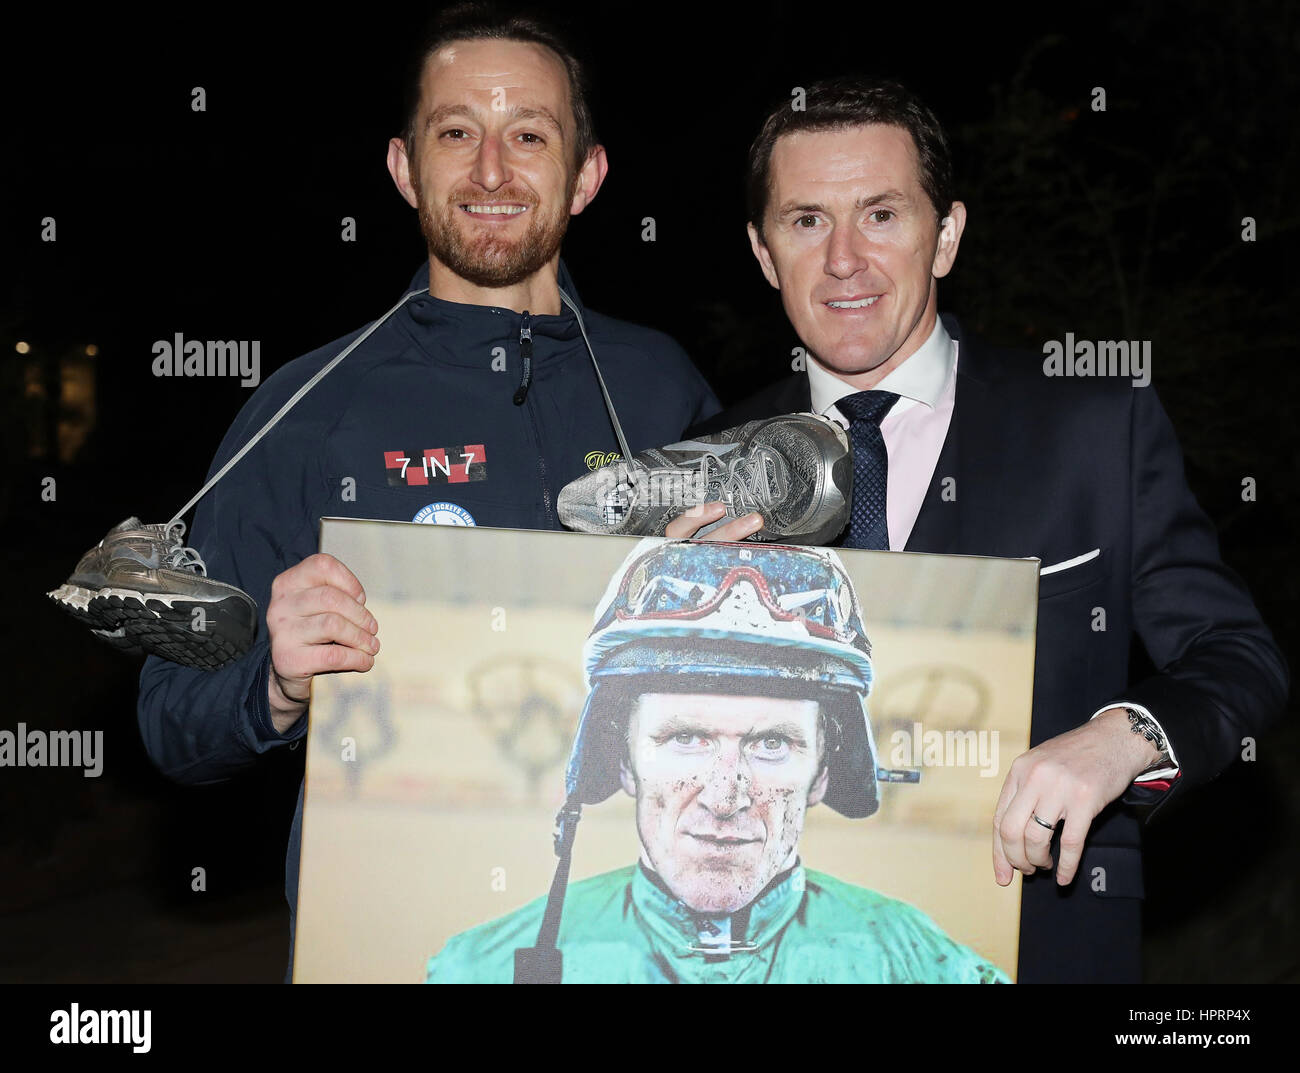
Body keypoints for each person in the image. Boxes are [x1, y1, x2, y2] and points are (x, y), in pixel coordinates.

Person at [133, 5, 741, 980]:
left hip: (638, 941)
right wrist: (274, 682)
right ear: (403, 168)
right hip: (393, 943)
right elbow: (168, 719)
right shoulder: (307, 405)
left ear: (585, 176)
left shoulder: (663, 386)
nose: (492, 171)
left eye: (528, 135)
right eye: (456, 133)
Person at [687, 77, 1289, 983]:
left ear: (949, 234)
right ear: (764, 253)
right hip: (778, 953)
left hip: (1039, 938)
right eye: (807, 221)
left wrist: (1121, 735)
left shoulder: (1095, 429)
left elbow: (1240, 656)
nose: (844, 258)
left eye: (882, 214)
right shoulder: (710, 464)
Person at [424, 540, 1008, 983]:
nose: (724, 798)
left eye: (772, 745)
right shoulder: (482, 971)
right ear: (622, 763)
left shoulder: (920, 966)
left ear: (824, 774)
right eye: (686, 738)